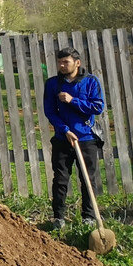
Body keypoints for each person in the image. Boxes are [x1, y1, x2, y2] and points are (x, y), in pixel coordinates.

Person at [42, 46, 105, 231]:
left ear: (77, 63)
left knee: (88, 179)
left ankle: (88, 218)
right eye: (60, 62)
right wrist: (65, 129)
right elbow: (50, 111)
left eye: (66, 62)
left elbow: (97, 107)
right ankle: (58, 218)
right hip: (63, 138)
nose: (62, 65)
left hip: (86, 138)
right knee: (60, 179)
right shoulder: (53, 84)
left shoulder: (90, 82)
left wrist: (72, 100)